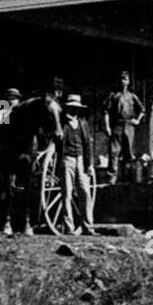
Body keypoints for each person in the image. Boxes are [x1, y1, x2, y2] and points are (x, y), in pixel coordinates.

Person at [60, 94, 95, 234]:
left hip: (80, 160)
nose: (73, 111)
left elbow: (87, 145)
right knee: (67, 193)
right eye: (71, 108)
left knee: (85, 192)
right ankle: (69, 227)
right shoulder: (62, 124)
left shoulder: (83, 124)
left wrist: (90, 164)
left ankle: (88, 226)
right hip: (67, 159)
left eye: (75, 108)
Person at [104, 71, 145, 184]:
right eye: (121, 79)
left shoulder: (132, 96)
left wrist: (137, 120)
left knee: (128, 152)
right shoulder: (113, 95)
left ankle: (127, 176)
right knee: (114, 151)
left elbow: (142, 109)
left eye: (125, 79)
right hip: (117, 125)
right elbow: (106, 111)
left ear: (128, 81)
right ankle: (112, 176)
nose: (123, 81)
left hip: (129, 125)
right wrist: (107, 126)